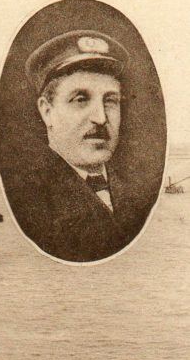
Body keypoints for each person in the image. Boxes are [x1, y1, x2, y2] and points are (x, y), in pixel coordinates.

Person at [10, 29, 151, 262]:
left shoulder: (137, 192)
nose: (100, 118)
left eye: (110, 101)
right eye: (81, 99)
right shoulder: (27, 202)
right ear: (47, 112)